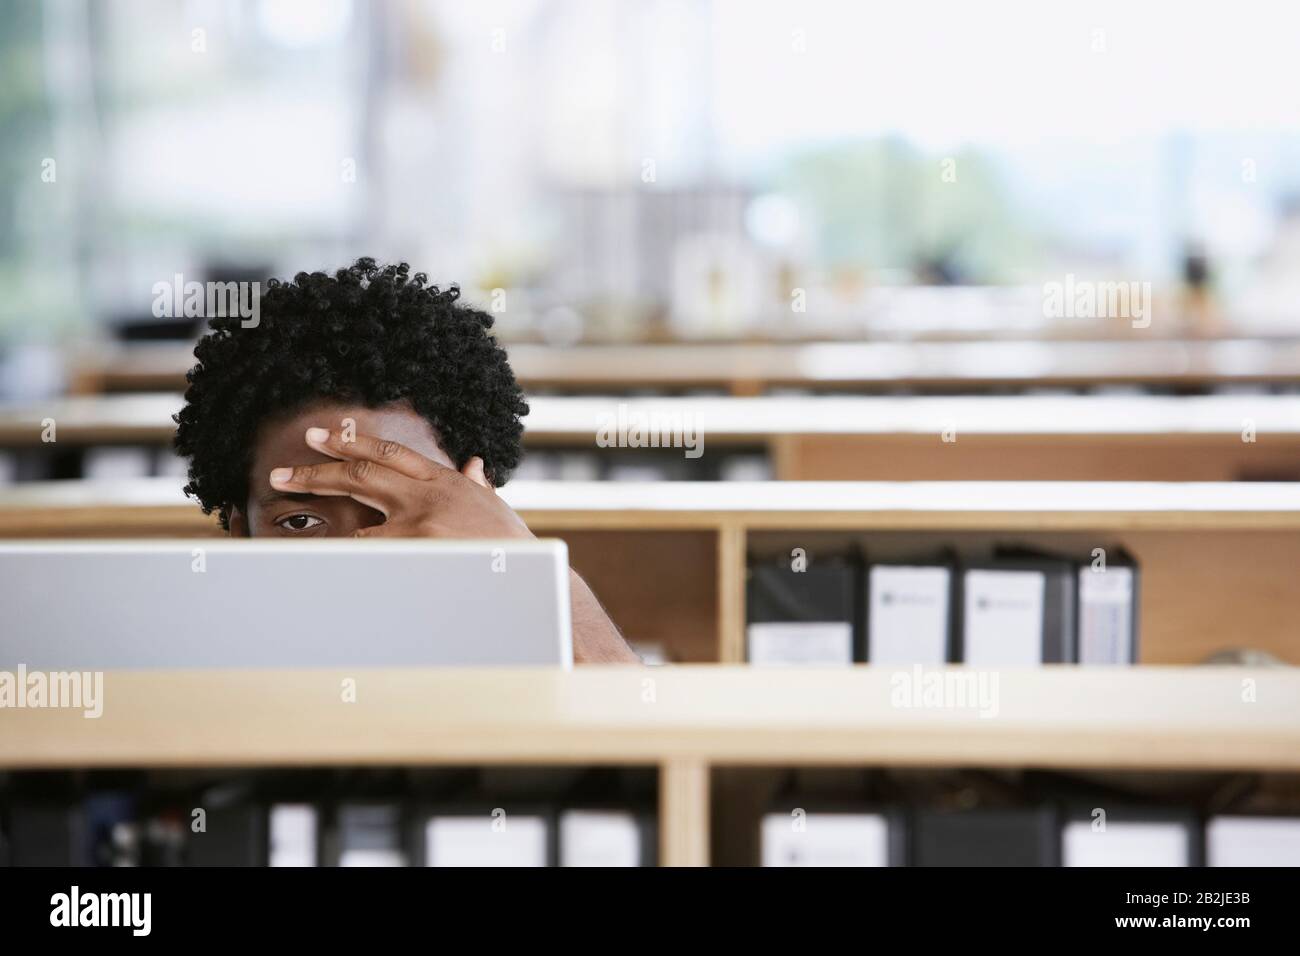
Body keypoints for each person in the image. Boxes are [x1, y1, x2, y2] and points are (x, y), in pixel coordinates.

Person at [174, 257, 639, 663]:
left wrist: (538, 581)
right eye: (299, 521)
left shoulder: (527, 665)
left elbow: (642, 734)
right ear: (242, 535)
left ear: (479, 506)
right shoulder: (195, 685)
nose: (353, 562)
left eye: (399, 513)